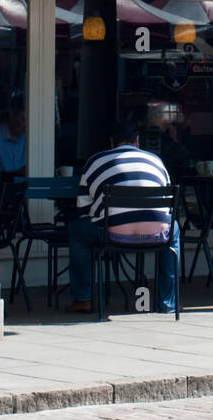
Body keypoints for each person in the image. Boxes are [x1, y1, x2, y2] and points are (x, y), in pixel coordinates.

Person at [66, 119, 180, 314]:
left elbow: (83, 211)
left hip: (112, 233)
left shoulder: (95, 161)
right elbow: (166, 210)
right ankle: (167, 303)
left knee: (77, 231)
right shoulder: (156, 161)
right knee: (174, 231)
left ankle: (83, 298)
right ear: (137, 141)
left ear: (112, 143)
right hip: (156, 234)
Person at [0, 96, 28, 177]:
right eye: (23, 120)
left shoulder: (30, 136)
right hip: (1, 187)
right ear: (12, 115)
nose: (26, 126)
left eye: (29, 121)